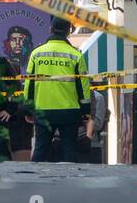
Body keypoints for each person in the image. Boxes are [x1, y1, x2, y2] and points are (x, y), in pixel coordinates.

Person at [23, 16, 90, 163]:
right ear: (69, 32)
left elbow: (29, 84)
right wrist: (85, 109)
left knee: (41, 148)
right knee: (70, 149)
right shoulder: (76, 55)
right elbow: (83, 85)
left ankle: (32, 182)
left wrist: (27, 108)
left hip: (43, 110)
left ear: (50, 29)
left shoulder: (37, 53)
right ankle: (70, 182)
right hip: (69, 110)